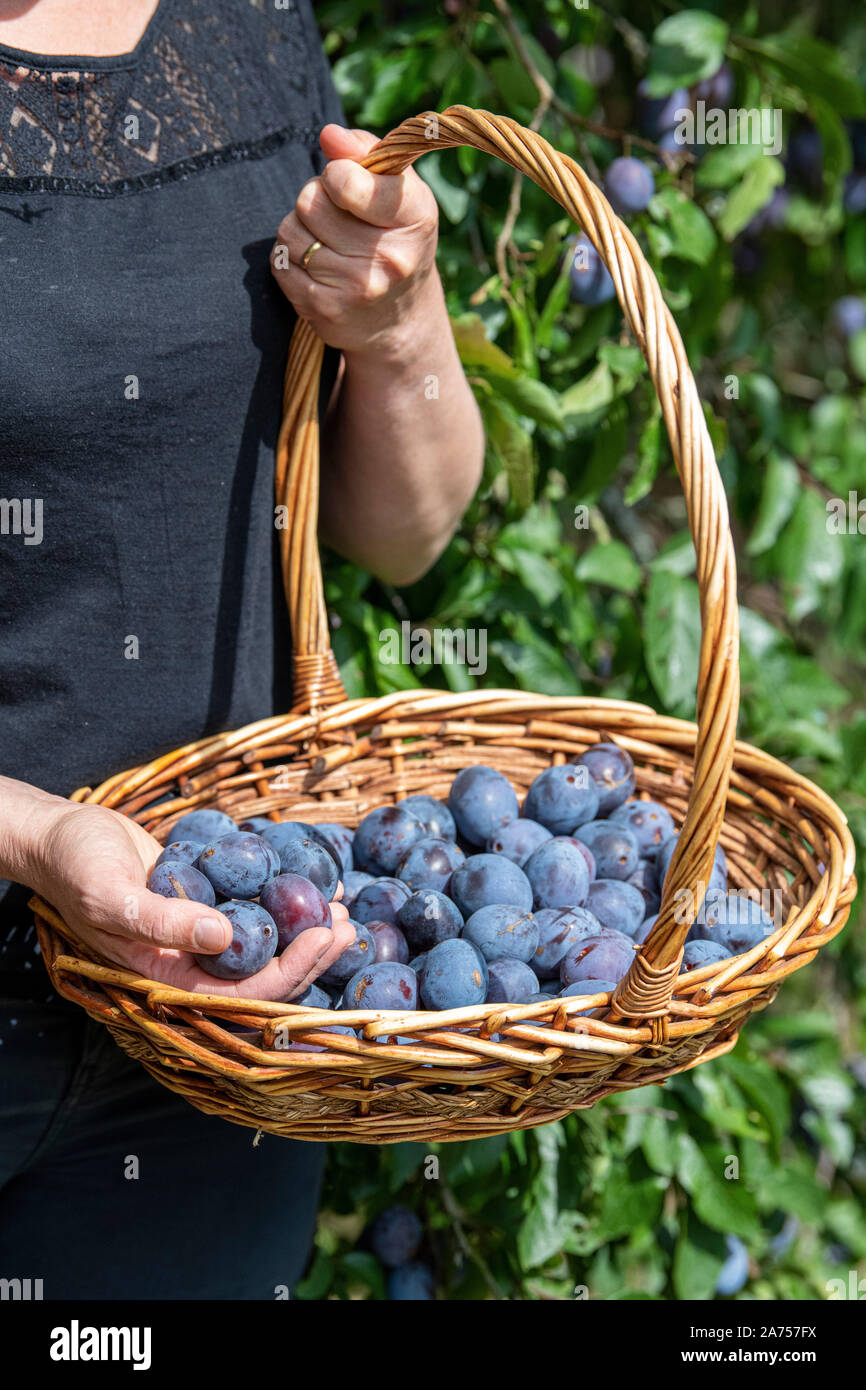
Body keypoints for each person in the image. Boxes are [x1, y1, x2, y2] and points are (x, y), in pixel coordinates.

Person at [0, 0, 484, 1298]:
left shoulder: (247, 26)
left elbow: (406, 536)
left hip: (220, 1011)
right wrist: (35, 839)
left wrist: (399, 330)